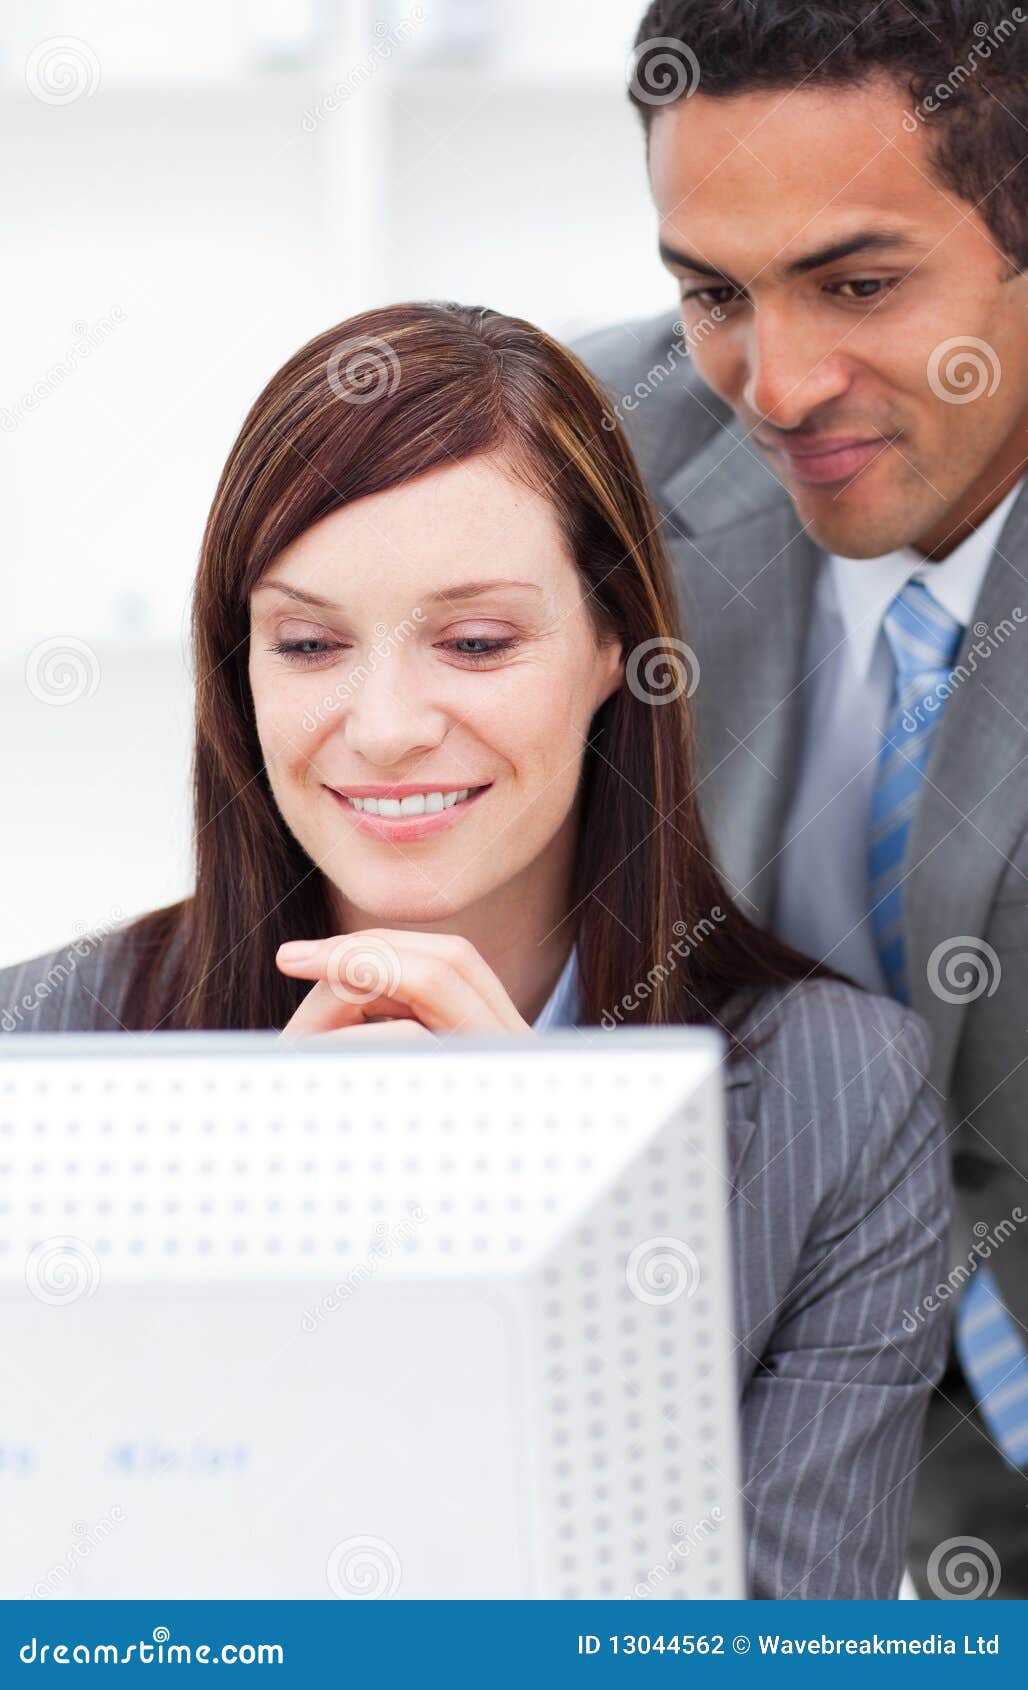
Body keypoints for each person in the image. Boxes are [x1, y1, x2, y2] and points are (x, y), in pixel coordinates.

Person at [0, 301, 949, 1598]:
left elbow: (776, 1659)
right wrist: (242, 1253)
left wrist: (545, 1218)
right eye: (310, 644)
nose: (385, 726)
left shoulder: (836, 1099)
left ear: (617, 649)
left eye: (477, 642)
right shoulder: (35, 1050)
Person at [575, 0, 1028, 1597]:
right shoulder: (583, 457)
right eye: (714, 293)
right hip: (806, 1463)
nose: (775, 385)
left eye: (859, 285)